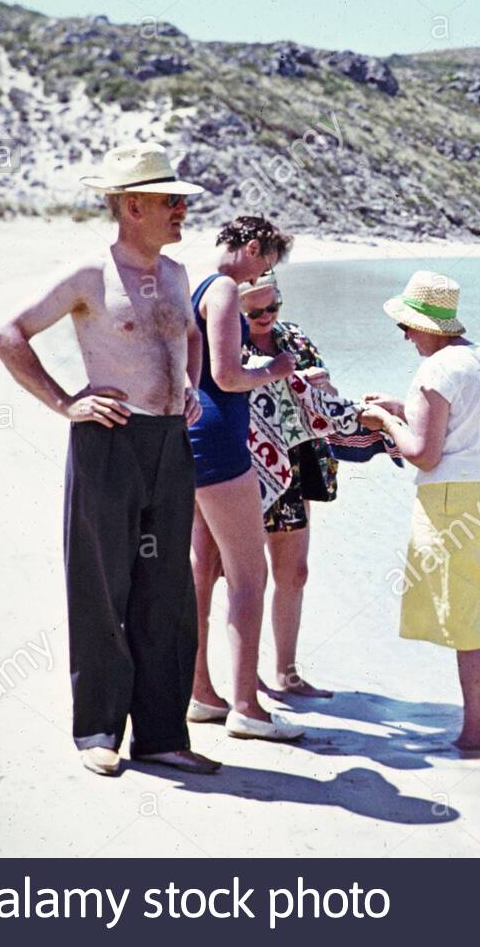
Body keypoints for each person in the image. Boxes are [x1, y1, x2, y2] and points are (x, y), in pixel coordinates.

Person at [0, 142, 219, 776]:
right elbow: (8, 337)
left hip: (170, 445)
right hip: (110, 441)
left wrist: (191, 388)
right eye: (171, 201)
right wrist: (66, 403)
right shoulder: (90, 275)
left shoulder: (175, 274)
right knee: (101, 586)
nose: (181, 211)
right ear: (134, 205)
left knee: (167, 591)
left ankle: (163, 736)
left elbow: (189, 338)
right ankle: (98, 731)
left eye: (181, 201)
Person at [359, 270, 480, 752]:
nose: (405, 336)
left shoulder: (435, 369)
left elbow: (423, 454)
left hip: (450, 501)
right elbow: (459, 426)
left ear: (426, 325)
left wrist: (385, 420)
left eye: (407, 327)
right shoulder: (477, 356)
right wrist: (404, 406)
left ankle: (472, 734)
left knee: (466, 618)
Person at [185, 216, 305, 742]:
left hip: (191, 435)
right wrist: (278, 369)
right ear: (253, 247)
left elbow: (198, 375)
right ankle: (247, 708)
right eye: (266, 263)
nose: (262, 278)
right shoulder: (229, 288)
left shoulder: (201, 288)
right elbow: (228, 376)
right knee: (248, 576)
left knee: (200, 569)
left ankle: (201, 693)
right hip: (219, 441)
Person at [192, 272, 337, 700]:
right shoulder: (226, 341)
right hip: (238, 468)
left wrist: (320, 384)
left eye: (274, 307)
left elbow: (322, 396)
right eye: (255, 312)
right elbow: (220, 387)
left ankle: (286, 672)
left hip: (295, 466)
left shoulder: (293, 338)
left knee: (294, 571)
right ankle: (242, 677)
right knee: (226, 574)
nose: (267, 317)